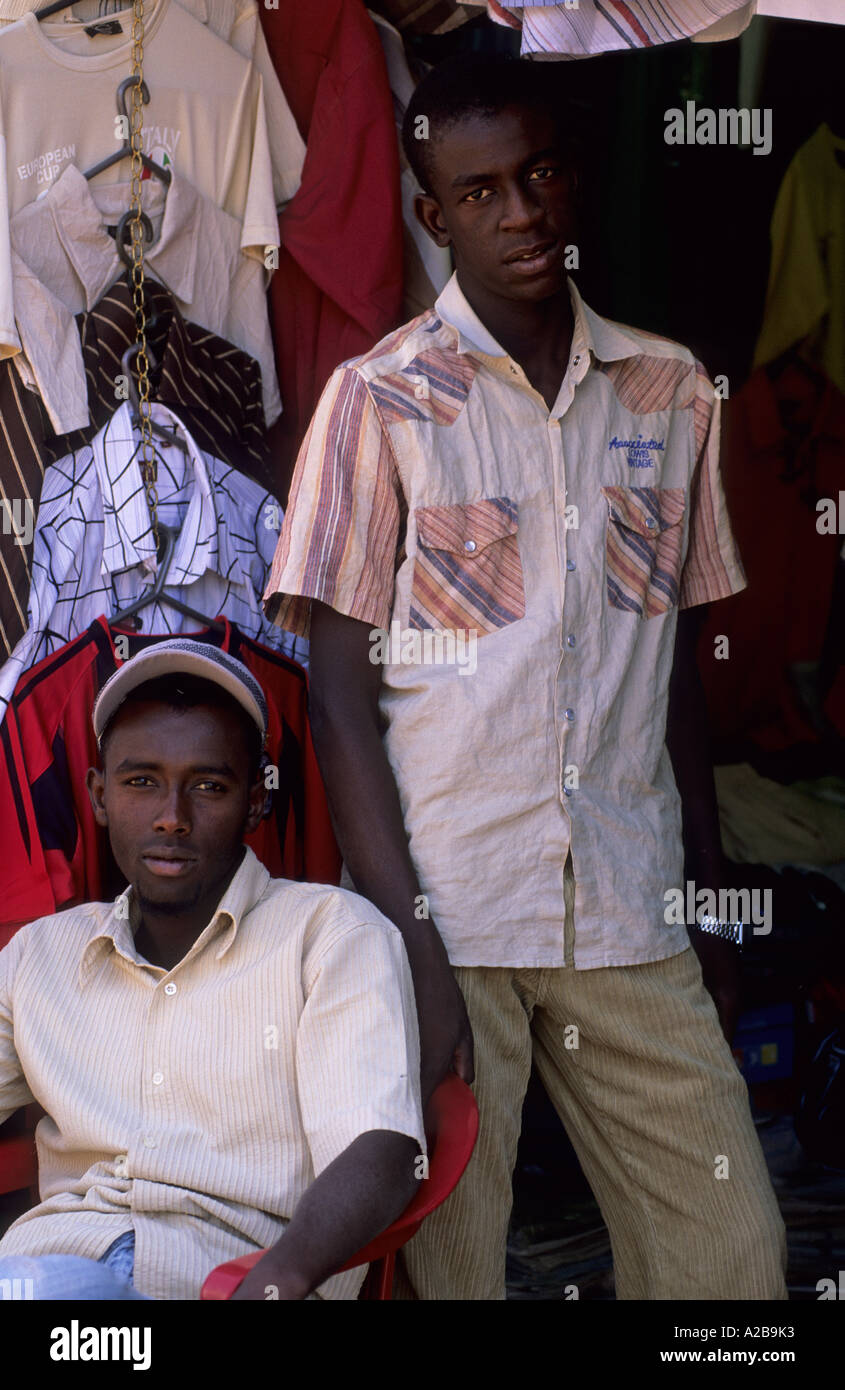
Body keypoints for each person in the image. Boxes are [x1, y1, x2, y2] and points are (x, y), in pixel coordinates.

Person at [263, 54, 787, 1300]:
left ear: (574, 182)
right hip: (449, 903)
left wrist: (706, 897)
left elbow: (669, 672)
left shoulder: (667, 390)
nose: (520, 214)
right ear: (429, 213)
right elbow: (337, 698)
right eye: (479, 189)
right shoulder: (374, 401)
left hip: (626, 899)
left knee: (732, 1261)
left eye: (540, 174)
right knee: (449, 1271)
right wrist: (411, 940)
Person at [0, 640, 425, 1300]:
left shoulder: (330, 936)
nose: (172, 818)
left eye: (208, 786)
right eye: (141, 782)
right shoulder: (39, 956)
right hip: (54, 1267)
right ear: (99, 794)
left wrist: (278, 1279)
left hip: (226, 1277)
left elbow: (380, 1149)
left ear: (256, 800)